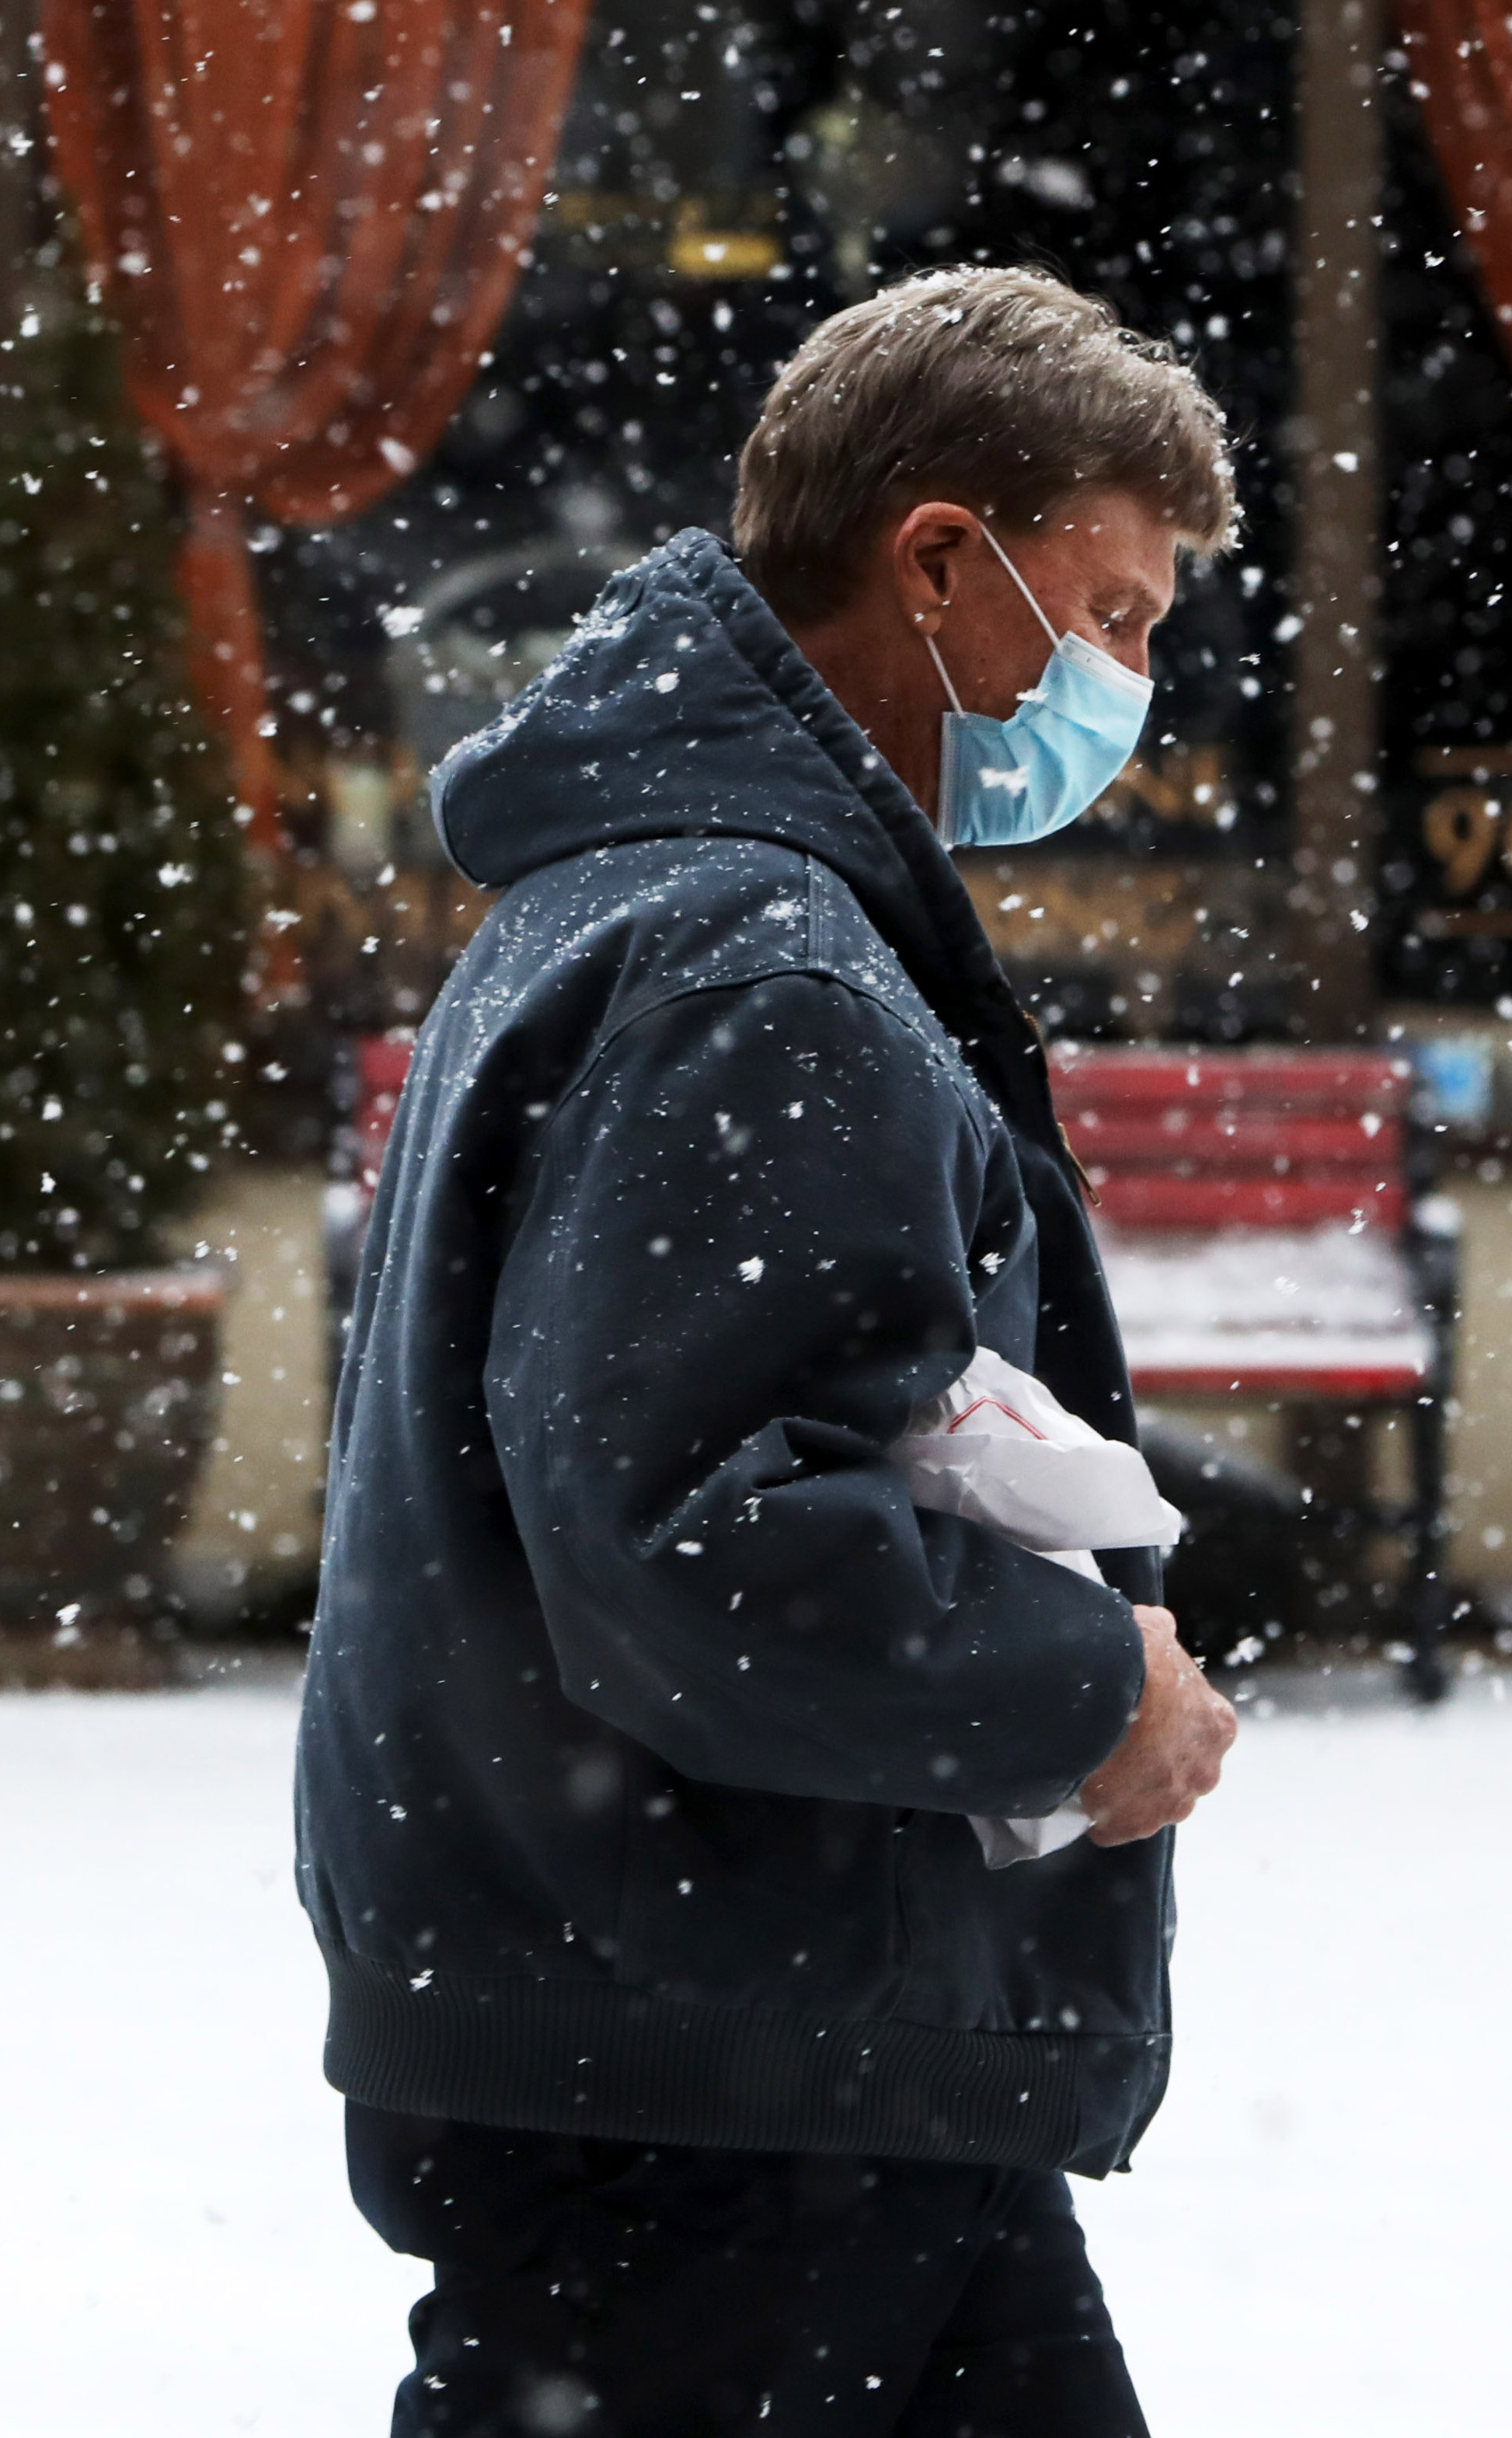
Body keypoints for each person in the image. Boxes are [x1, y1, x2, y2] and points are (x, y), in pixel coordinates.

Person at [298, 268, 1244, 2436]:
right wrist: (1086, 1694)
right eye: (1106, 615)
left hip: (754, 2023)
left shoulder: (648, 897)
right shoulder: (761, 963)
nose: (1127, 689)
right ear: (934, 561)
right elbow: (695, 1543)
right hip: (725, 2060)